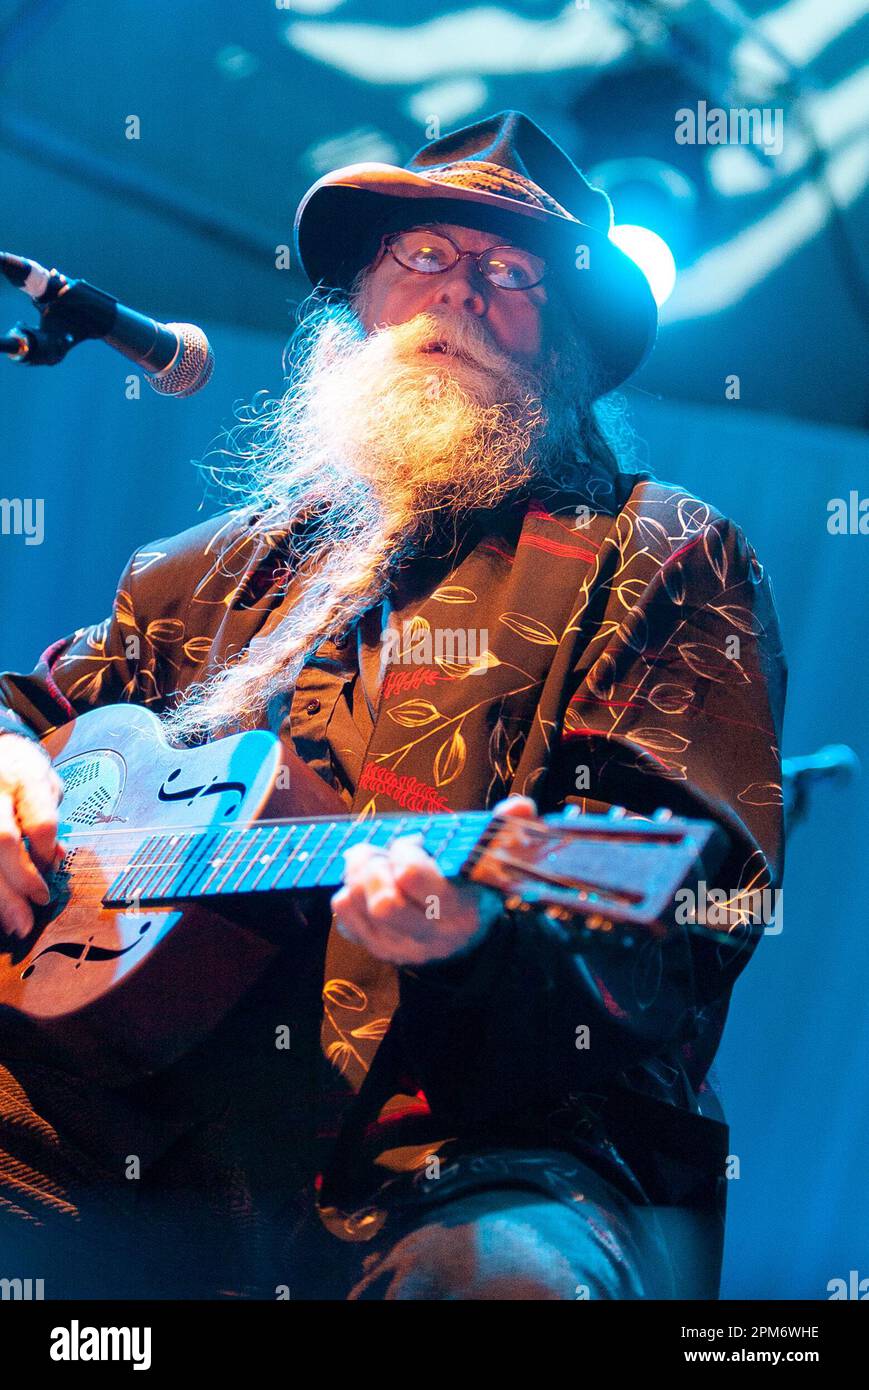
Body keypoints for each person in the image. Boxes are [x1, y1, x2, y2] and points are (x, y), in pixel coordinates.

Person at [0, 110, 785, 1299]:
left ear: (565, 349)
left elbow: (687, 908)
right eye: (423, 254)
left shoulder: (657, 553)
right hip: (115, 1110)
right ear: (360, 298)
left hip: (460, 1146)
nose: (461, 291)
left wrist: (478, 943)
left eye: (512, 273)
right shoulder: (198, 568)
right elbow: (40, 710)